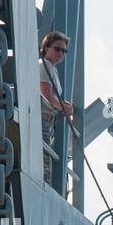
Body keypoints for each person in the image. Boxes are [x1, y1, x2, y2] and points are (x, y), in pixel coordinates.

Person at [39, 31, 73, 186]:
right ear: (46, 48)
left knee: (47, 160)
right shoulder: (44, 66)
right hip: (42, 121)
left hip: (48, 122)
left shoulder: (52, 69)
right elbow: (46, 96)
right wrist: (63, 107)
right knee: (44, 163)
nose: (61, 53)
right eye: (57, 49)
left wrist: (63, 105)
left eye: (64, 50)